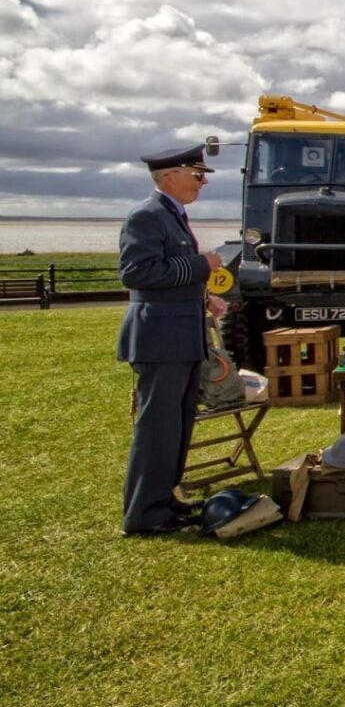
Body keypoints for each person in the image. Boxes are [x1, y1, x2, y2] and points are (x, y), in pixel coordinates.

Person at [117, 144, 227, 535]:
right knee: (157, 429)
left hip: (180, 336)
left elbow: (166, 275)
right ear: (169, 176)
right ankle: (144, 513)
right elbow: (137, 273)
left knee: (178, 426)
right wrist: (203, 264)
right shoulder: (146, 216)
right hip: (160, 340)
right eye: (196, 175)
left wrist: (204, 297)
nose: (201, 183)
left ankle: (165, 500)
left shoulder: (171, 216)